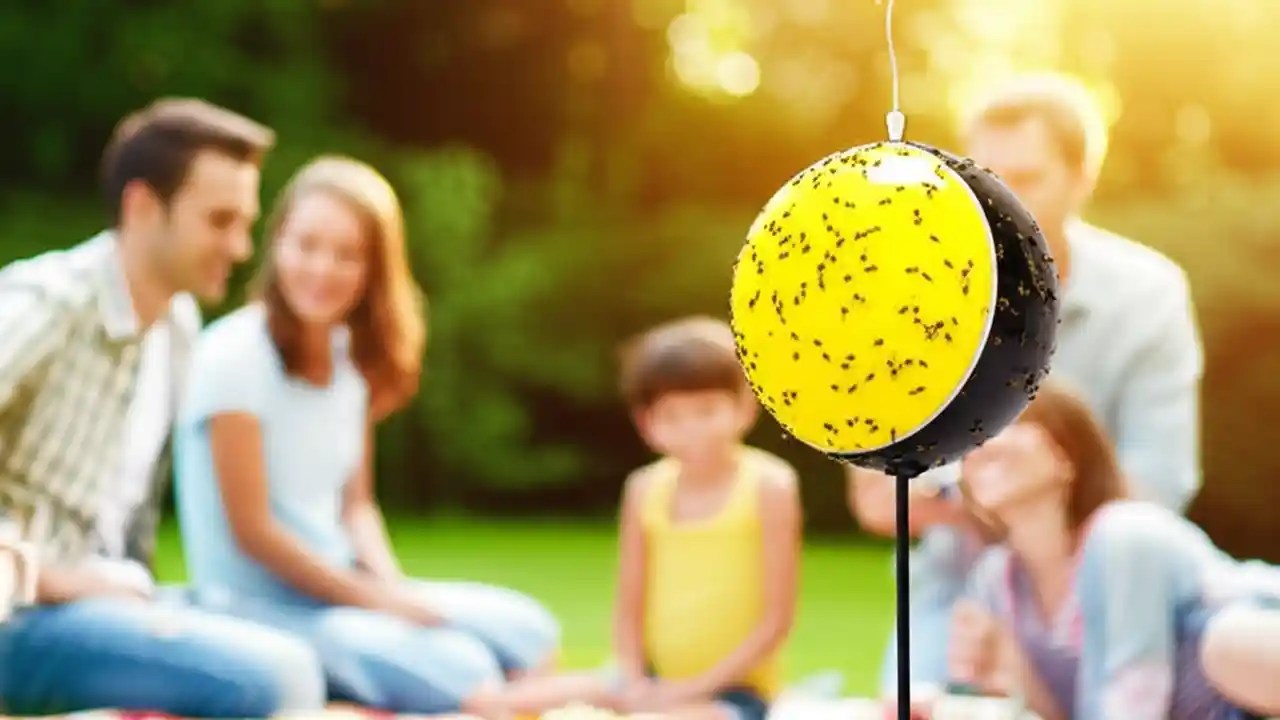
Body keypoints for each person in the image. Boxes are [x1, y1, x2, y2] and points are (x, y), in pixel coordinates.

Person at [846, 72, 1206, 693]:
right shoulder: (906, 299)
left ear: (1083, 177)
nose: (1002, 200)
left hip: (1108, 587)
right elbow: (880, 502)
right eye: (985, 177)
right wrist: (1031, 497)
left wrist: (980, 501)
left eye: (1029, 178)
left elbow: (1158, 487)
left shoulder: (1149, 294)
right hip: (959, 588)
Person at [173, 155, 561, 716]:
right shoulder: (234, 356)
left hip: (345, 590)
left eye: (347, 254)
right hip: (255, 604)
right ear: (277, 243)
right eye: (307, 245)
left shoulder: (348, 360)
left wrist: (392, 588)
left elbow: (357, 506)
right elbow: (253, 533)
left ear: (374, 268)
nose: (323, 268)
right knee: (465, 670)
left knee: (530, 630)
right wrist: (377, 603)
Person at [0, 98, 326, 717]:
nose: (240, 246)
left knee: (315, 649)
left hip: (110, 601)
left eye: (245, 223)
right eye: (220, 221)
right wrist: (58, 580)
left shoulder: (177, 326)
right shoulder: (45, 306)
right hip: (18, 619)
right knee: (275, 677)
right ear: (144, 207)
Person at [457, 316, 803, 720]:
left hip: (733, 693)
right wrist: (637, 680)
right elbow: (629, 603)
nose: (692, 429)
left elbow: (776, 622)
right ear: (646, 423)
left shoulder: (770, 486)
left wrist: (686, 691)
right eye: (673, 416)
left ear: (745, 406)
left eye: (707, 411)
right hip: (645, 677)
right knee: (491, 703)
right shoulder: (644, 488)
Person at [946, 380, 1280, 720]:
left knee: (1230, 645)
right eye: (976, 435)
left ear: (1066, 454)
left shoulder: (1123, 534)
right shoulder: (996, 581)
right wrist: (1010, 672)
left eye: (1011, 424)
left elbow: (1135, 693)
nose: (985, 445)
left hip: (1262, 634)